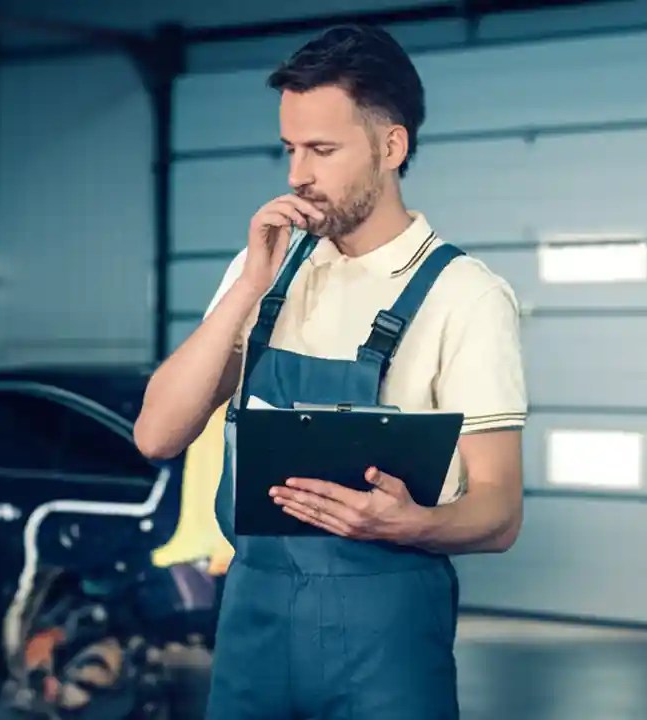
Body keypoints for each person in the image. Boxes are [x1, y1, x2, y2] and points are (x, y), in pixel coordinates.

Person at [134, 23, 526, 719]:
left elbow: (499, 513)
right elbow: (157, 435)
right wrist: (249, 283)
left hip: (388, 634)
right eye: (289, 149)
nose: (296, 176)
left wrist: (409, 524)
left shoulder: (465, 295)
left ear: (390, 145)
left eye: (322, 150)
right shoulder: (266, 271)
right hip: (253, 619)